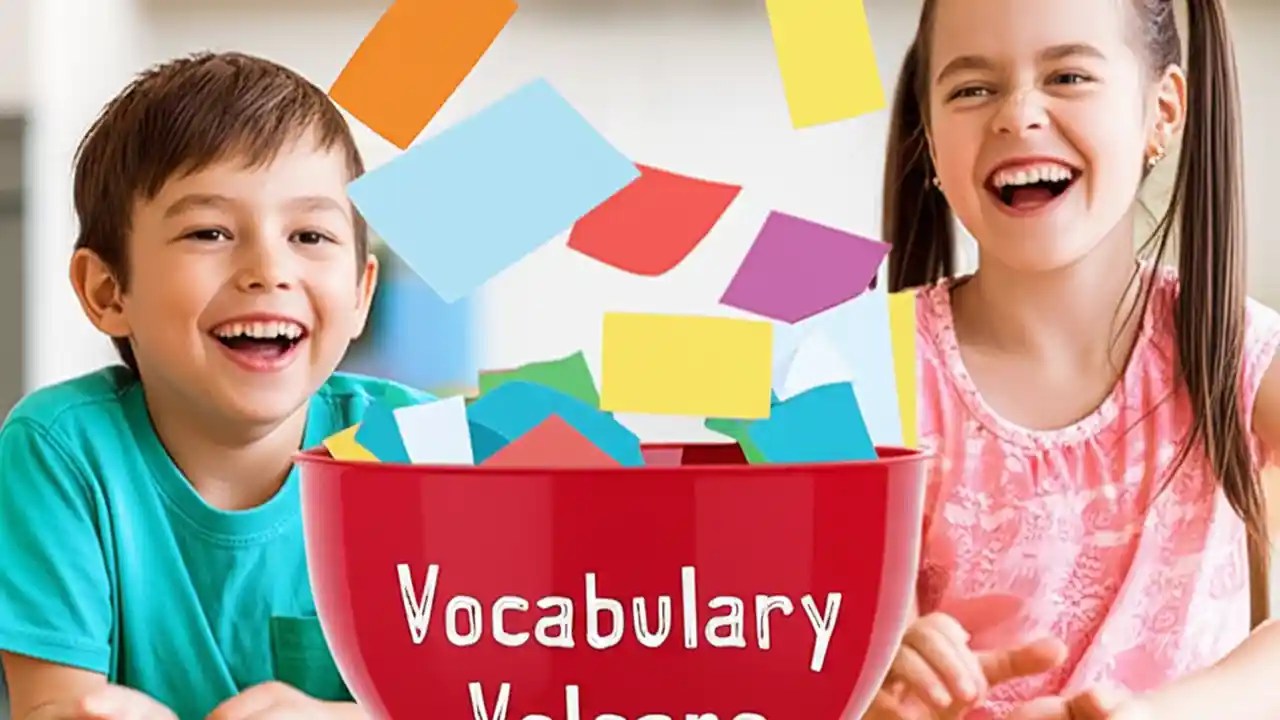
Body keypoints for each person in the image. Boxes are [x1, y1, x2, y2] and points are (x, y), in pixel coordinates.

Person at [871, 0, 1280, 718]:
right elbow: (802, 658)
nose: (1017, 115)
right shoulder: (867, 373)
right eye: (972, 89)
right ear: (930, 137)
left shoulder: (1239, 356)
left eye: (1067, 75)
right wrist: (876, 682)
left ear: (1163, 111)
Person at [0, 52, 430, 719]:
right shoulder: (59, 452)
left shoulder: (424, 454)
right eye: (210, 232)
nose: (268, 269)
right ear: (109, 291)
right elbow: (54, 706)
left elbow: (497, 698)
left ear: (360, 293)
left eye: (310, 234)